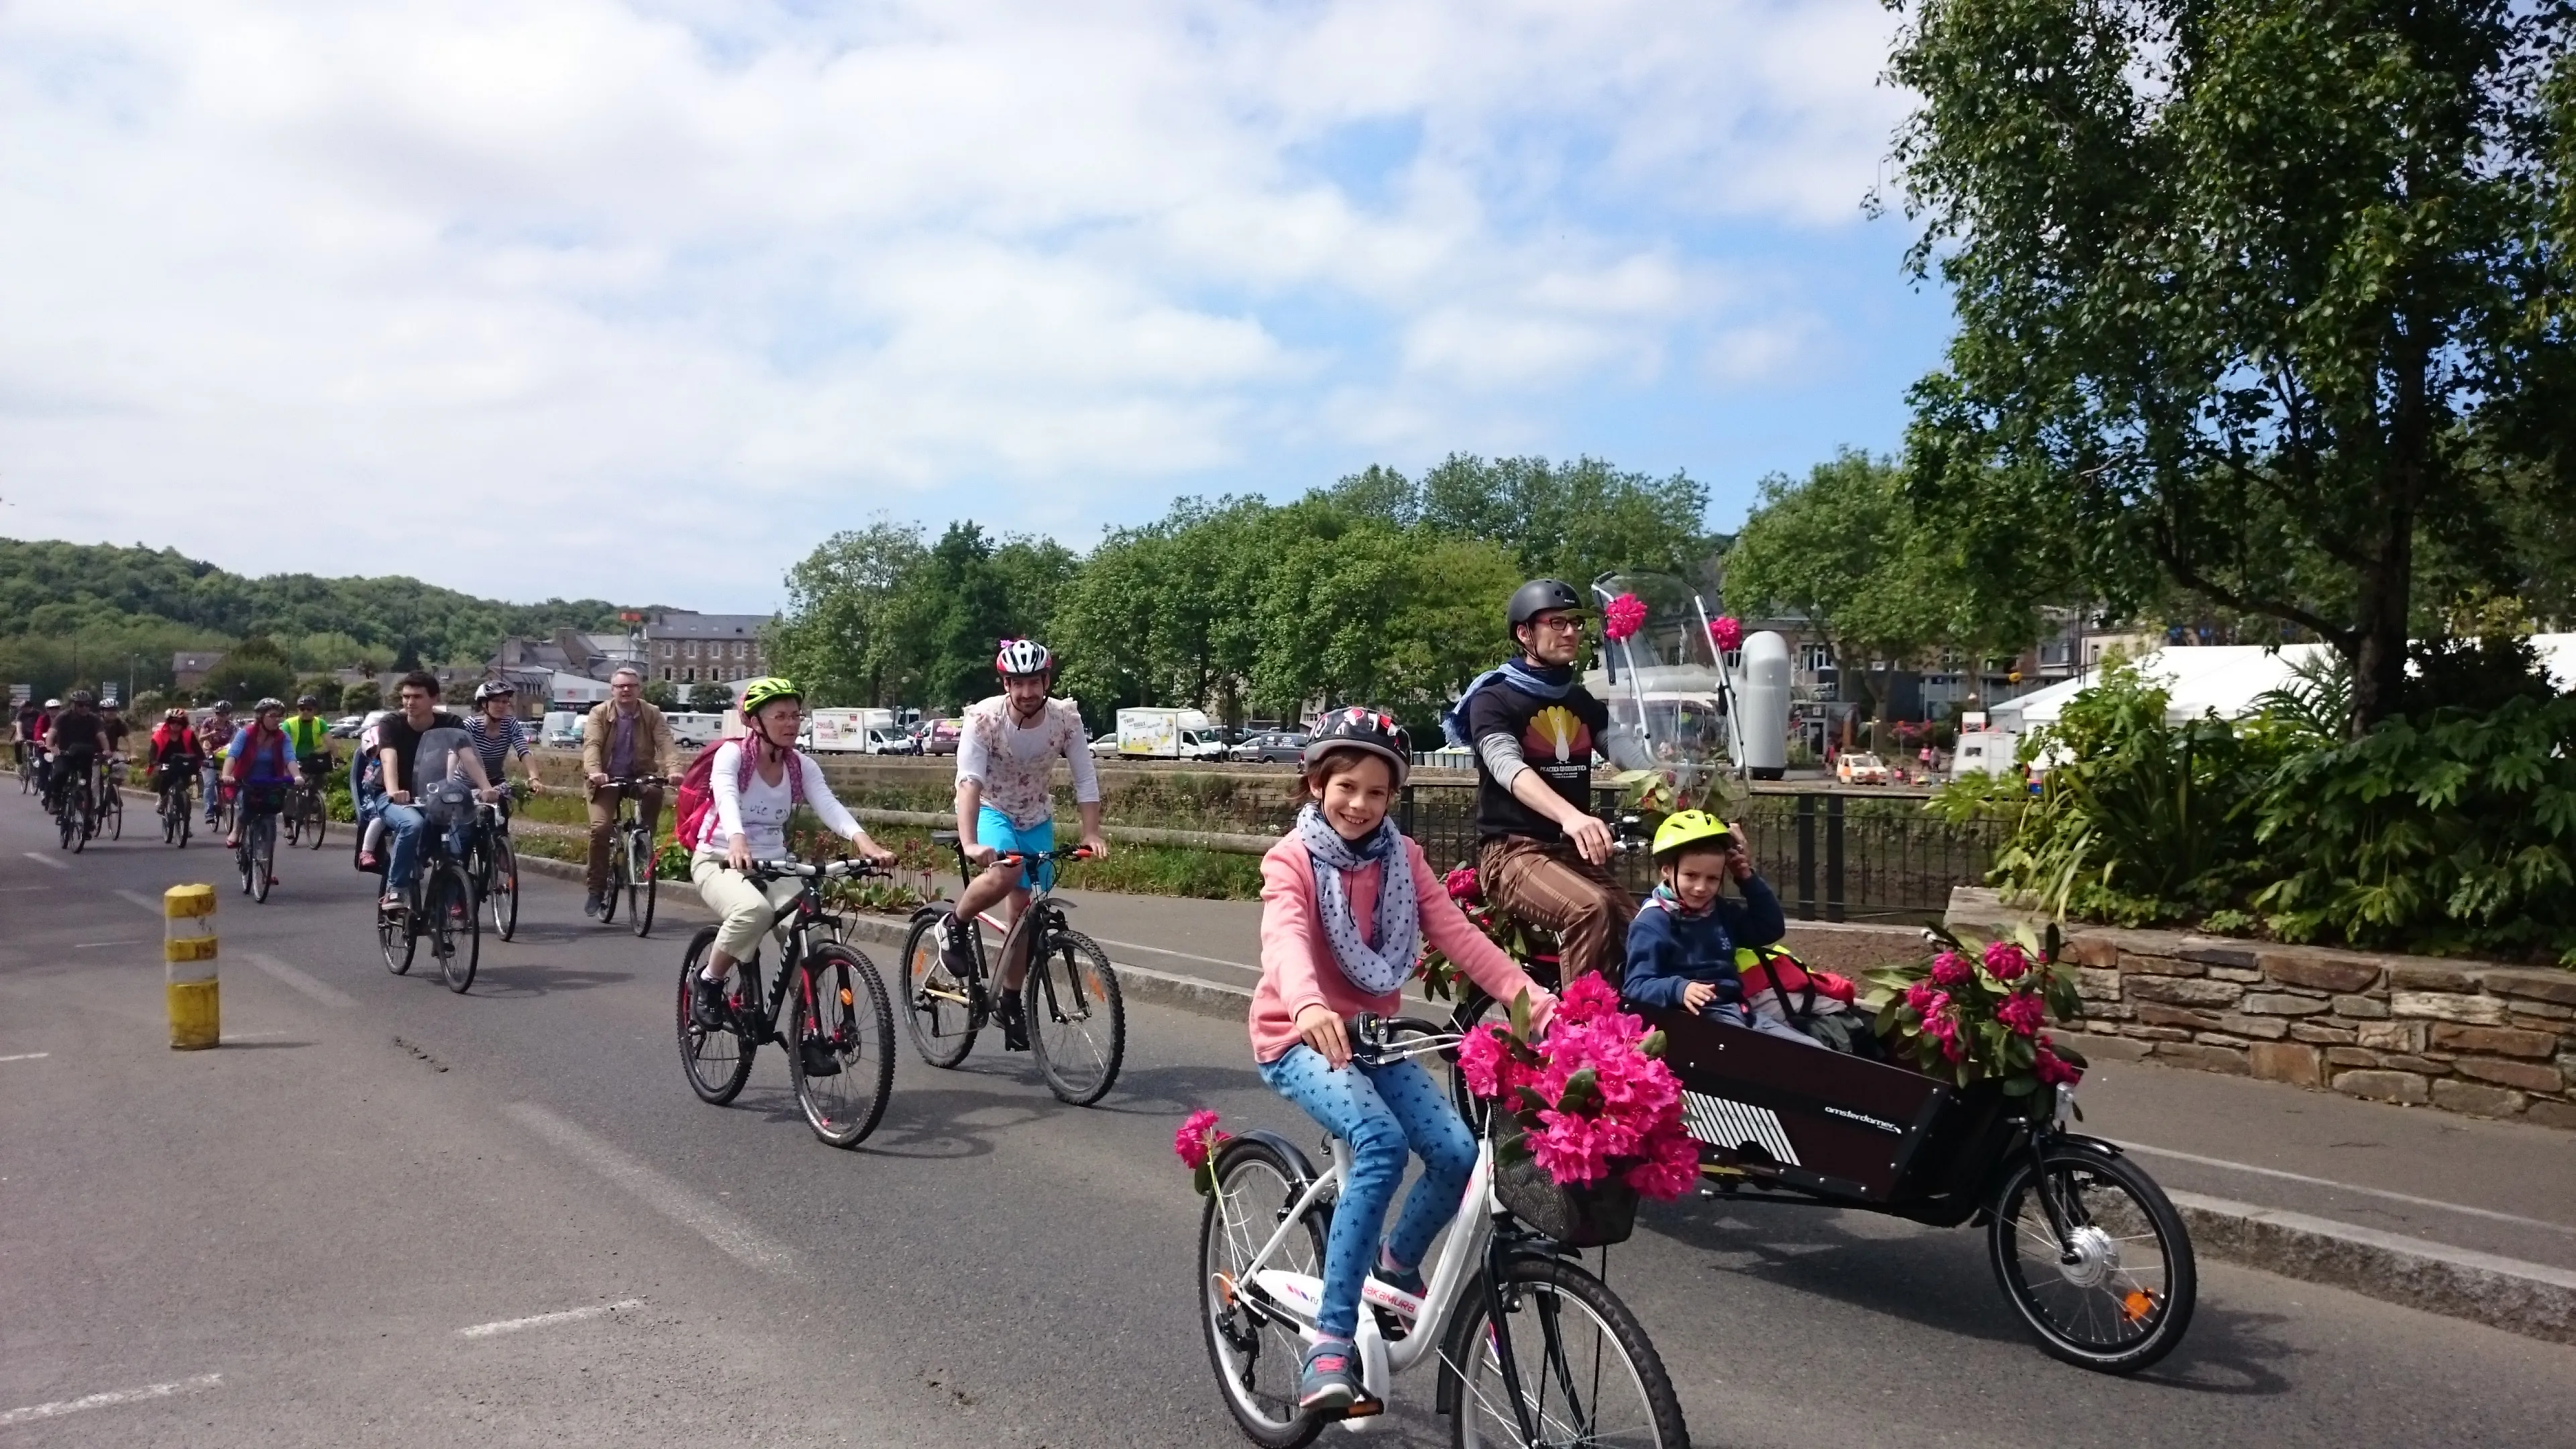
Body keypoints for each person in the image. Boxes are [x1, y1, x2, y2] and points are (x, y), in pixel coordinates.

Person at [1251, 708, 1560, 1413]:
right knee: (1381, 1144)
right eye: (1346, 787)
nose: (1360, 805)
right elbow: (1286, 937)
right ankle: (1329, 1344)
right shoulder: (1291, 859)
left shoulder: (1403, 860)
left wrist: (1539, 1006)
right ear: (1316, 785)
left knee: (1458, 1155)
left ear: (1394, 798)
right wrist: (1305, 1003)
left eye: (1378, 792)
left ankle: (1394, 1263)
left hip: (1374, 1038)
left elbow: (1459, 938)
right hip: (1298, 1035)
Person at [1440, 579, 1652, 983]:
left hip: (1568, 854)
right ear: (1525, 634)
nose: (1570, 631)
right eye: (1556, 623)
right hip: (1514, 855)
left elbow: (1626, 753)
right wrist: (1571, 816)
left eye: (1575, 622)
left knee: (1646, 930)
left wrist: (1676, 792)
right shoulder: (1495, 698)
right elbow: (1506, 766)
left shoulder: (1580, 700)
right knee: (1591, 909)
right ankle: (1579, 1036)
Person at [685, 679, 894, 1026]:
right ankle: (708, 981)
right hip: (719, 858)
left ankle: (809, 1028)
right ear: (754, 721)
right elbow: (726, 795)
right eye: (780, 716)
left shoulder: (800, 765)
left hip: (775, 864)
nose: (791, 724)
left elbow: (828, 804)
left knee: (812, 935)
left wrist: (865, 843)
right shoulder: (733, 754)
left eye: (796, 716)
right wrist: (737, 839)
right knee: (752, 912)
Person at [943, 639, 1106, 1051]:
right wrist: (970, 843)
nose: (1027, 692)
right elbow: (969, 781)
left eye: (1034, 682)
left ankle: (1011, 1001)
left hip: (1036, 814)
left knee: (1026, 915)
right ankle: (956, 923)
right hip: (992, 807)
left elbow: (1085, 778)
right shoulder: (984, 719)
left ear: (1046, 681)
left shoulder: (1065, 719)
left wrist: (1091, 832)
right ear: (1006, 685)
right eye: (1018, 684)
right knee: (1008, 871)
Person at [1617, 810, 1815, 1045]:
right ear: (1667, 870)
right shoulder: (1652, 923)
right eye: (1691, 875)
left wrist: (1746, 877)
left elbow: (1769, 928)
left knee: (1814, 1052)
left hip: (1739, 1009)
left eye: (1712, 879)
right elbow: (1636, 985)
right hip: (1697, 1019)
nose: (1701, 888)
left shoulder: (1719, 911)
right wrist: (1680, 988)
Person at [377, 673, 501, 912]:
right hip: (393, 797)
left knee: (457, 843)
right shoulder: (391, 723)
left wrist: (486, 787)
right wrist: (394, 790)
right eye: (405, 697)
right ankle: (396, 889)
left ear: (434, 698)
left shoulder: (451, 722)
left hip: (434, 797)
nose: (409, 702)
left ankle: (443, 915)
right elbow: (388, 757)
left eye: (417, 697)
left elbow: (468, 756)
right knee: (412, 825)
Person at [580, 666, 675, 919]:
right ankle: (596, 888)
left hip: (640, 773)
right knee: (600, 829)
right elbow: (593, 745)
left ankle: (643, 840)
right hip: (606, 778)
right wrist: (594, 772)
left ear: (639, 689)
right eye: (620, 686)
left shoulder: (651, 713)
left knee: (655, 792)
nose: (626, 690)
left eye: (631, 686)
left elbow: (666, 742)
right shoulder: (599, 713)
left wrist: (675, 769)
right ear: (612, 690)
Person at [224, 699, 298, 868]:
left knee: (271, 816)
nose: (277, 720)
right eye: (272, 716)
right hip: (246, 782)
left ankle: (265, 866)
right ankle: (237, 831)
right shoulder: (246, 734)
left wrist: (297, 776)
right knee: (247, 806)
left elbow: (290, 758)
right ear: (260, 717)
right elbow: (233, 755)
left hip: (272, 783)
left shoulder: (282, 737)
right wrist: (227, 775)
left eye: (280, 716)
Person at [463, 680, 542, 808]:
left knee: (502, 816)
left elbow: (524, 751)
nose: (501, 705)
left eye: (505, 702)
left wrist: (535, 778)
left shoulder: (511, 724)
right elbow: (462, 755)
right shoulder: (471, 725)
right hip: (467, 783)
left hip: (496, 782)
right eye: (496, 701)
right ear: (484, 704)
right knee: (466, 823)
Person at [44, 692, 105, 818]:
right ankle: (55, 800)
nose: (85, 708)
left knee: (87, 788)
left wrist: (107, 750)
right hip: (65, 754)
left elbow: (101, 736)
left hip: (85, 756)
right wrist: (51, 746)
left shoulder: (94, 719)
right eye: (81, 705)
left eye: (87, 705)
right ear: (73, 705)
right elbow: (52, 732)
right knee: (60, 773)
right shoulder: (63, 717)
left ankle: (88, 820)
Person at [148, 707, 202, 809]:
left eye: (179, 723)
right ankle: (162, 798)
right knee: (166, 779)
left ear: (184, 724)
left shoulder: (188, 734)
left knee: (185, 782)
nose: (175, 725)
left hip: (183, 762)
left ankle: (183, 805)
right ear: (169, 722)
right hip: (165, 762)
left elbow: (198, 750)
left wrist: (203, 761)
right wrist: (154, 763)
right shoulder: (160, 734)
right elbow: (153, 751)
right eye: (173, 722)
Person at [284, 694, 335, 792]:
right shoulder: (289, 723)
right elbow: (281, 744)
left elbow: (330, 743)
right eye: (302, 709)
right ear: (298, 710)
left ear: (315, 711)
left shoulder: (320, 723)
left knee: (318, 786)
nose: (305, 712)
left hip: (312, 759)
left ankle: (316, 800)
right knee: (291, 789)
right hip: (293, 760)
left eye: (309, 709)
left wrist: (336, 758)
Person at [198, 700, 237, 825]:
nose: (221, 717)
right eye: (219, 714)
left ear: (228, 715)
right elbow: (200, 738)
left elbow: (235, 742)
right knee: (209, 784)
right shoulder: (208, 723)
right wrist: (211, 734)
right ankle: (209, 813)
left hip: (223, 756)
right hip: (208, 755)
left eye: (224, 714)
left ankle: (222, 804)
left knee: (226, 782)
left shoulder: (231, 726)